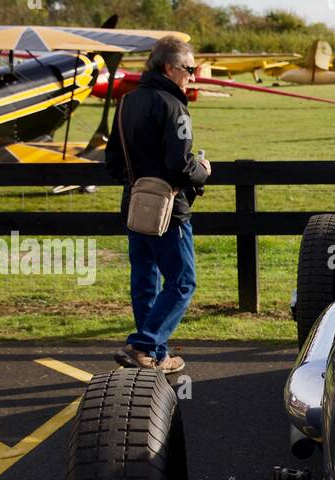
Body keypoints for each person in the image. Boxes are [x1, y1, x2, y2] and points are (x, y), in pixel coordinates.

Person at [105, 35, 211, 374]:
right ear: (170, 68)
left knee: (145, 281)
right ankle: (144, 344)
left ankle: (157, 356)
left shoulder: (127, 101)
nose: (192, 76)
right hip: (169, 209)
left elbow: (111, 162)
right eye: (189, 68)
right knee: (182, 282)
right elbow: (180, 166)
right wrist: (202, 171)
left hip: (134, 203)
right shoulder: (173, 106)